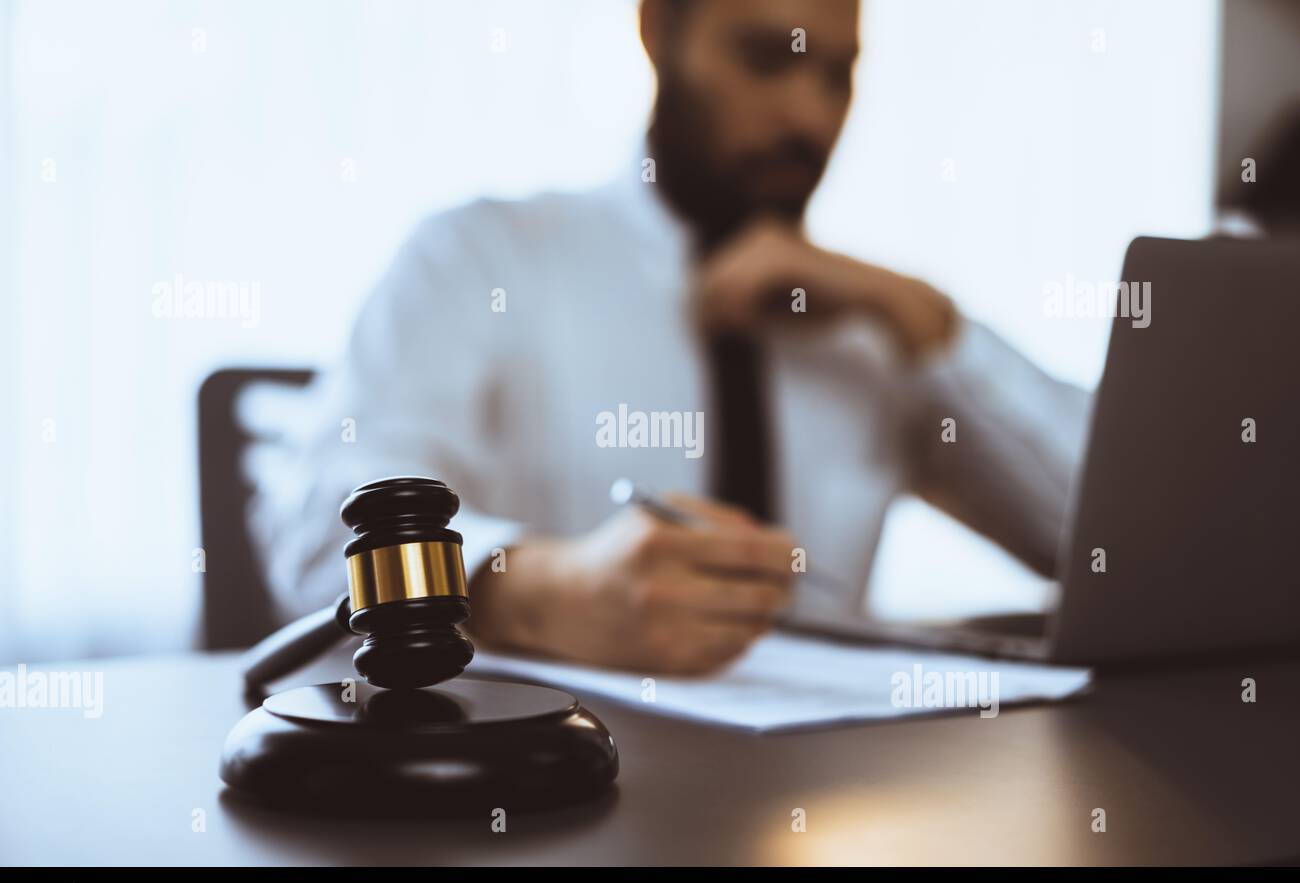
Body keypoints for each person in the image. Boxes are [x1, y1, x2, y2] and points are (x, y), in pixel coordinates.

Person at [246, 0, 1089, 674]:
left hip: (827, 804)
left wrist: (933, 324)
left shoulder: (876, 337)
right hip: (541, 809)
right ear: (658, 28)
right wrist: (537, 592)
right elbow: (321, 540)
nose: (810, 114)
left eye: (839, 74)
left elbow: (1104, 553)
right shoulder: (480, 257)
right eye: (767, 58)